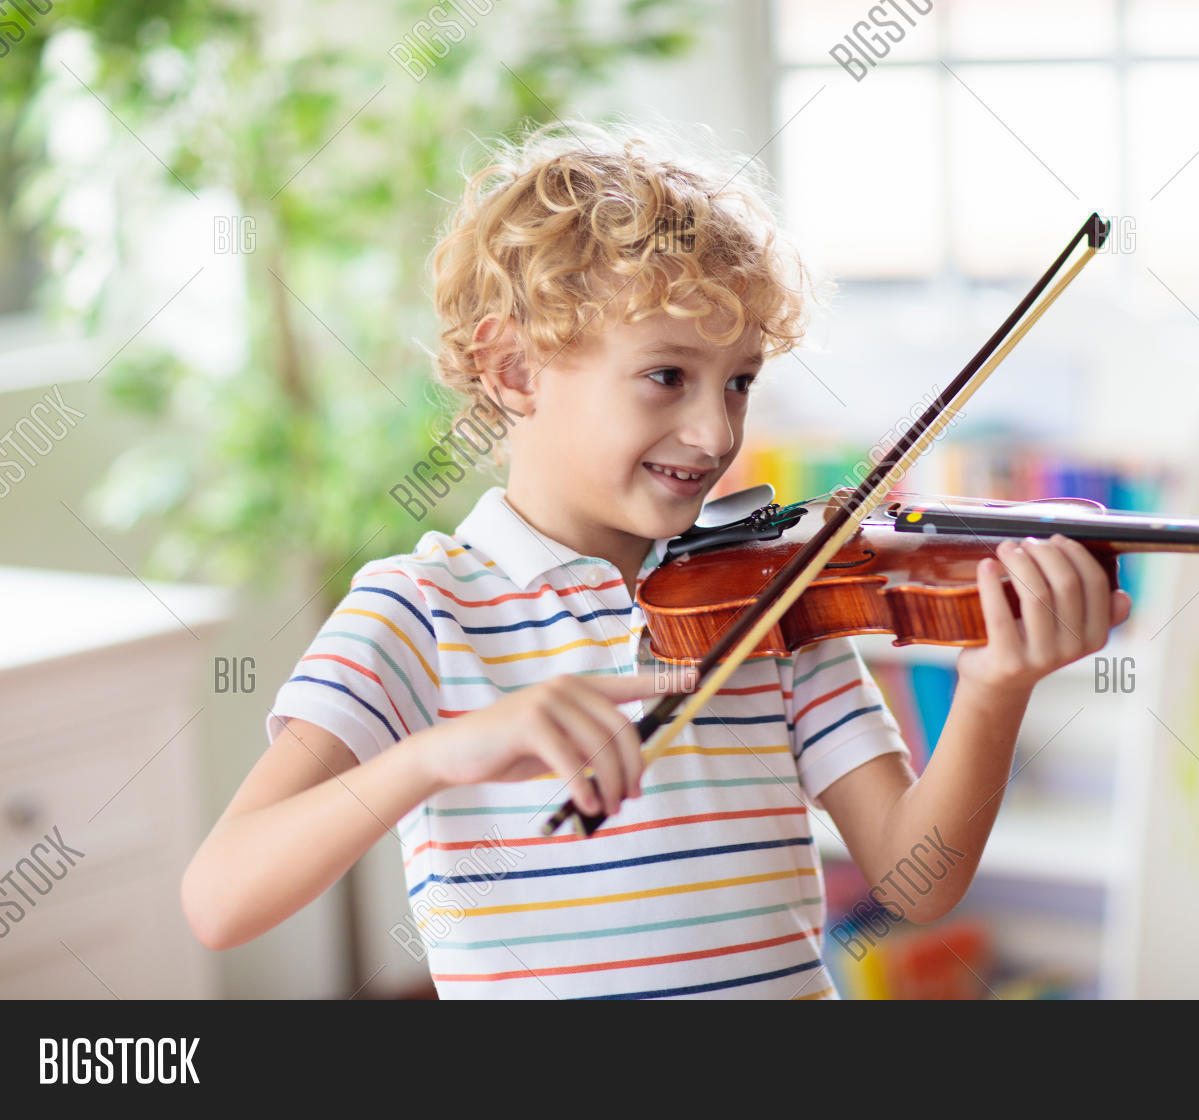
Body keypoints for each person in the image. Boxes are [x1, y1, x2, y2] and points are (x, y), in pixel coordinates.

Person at [180, 119, 1130, 999]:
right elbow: (221, 899)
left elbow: (915, 882)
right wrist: (434, 756)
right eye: (667, 375)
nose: (716, 431)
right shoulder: (417, 614)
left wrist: (997, 686)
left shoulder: (776, 600)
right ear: (514, 370)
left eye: (741, 382)